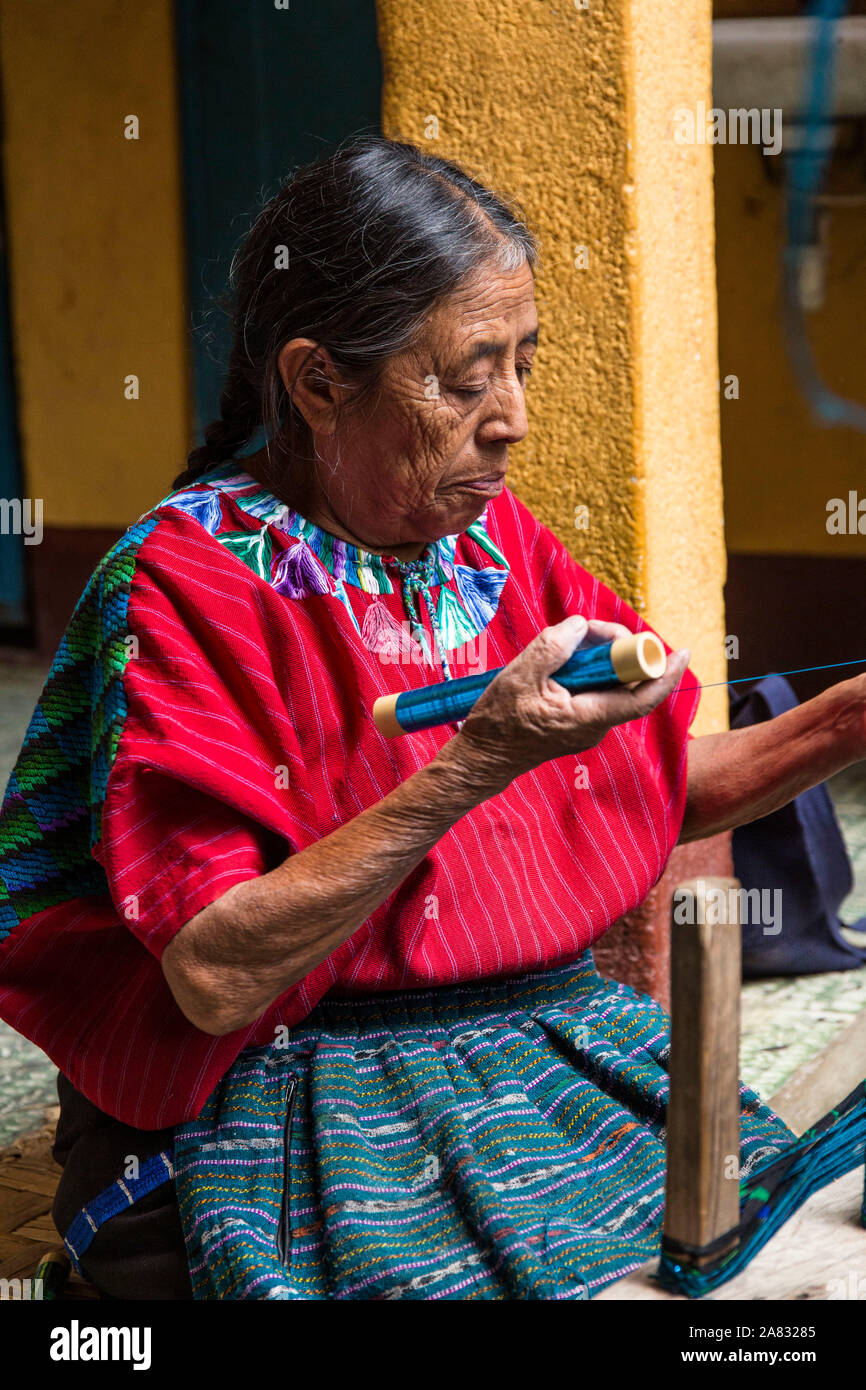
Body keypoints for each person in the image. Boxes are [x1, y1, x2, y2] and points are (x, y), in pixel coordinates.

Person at [1, 137, 863, 1300]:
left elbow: (648, 791)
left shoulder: (496, 547)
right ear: (315, 381)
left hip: (541, 1048)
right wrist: (476, 762)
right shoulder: (182, 588)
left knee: (772, 1253)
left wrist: (847, 718)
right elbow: (212, 975)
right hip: (304, 1082)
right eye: (465, 377)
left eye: (523, 364)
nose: (509, 417)